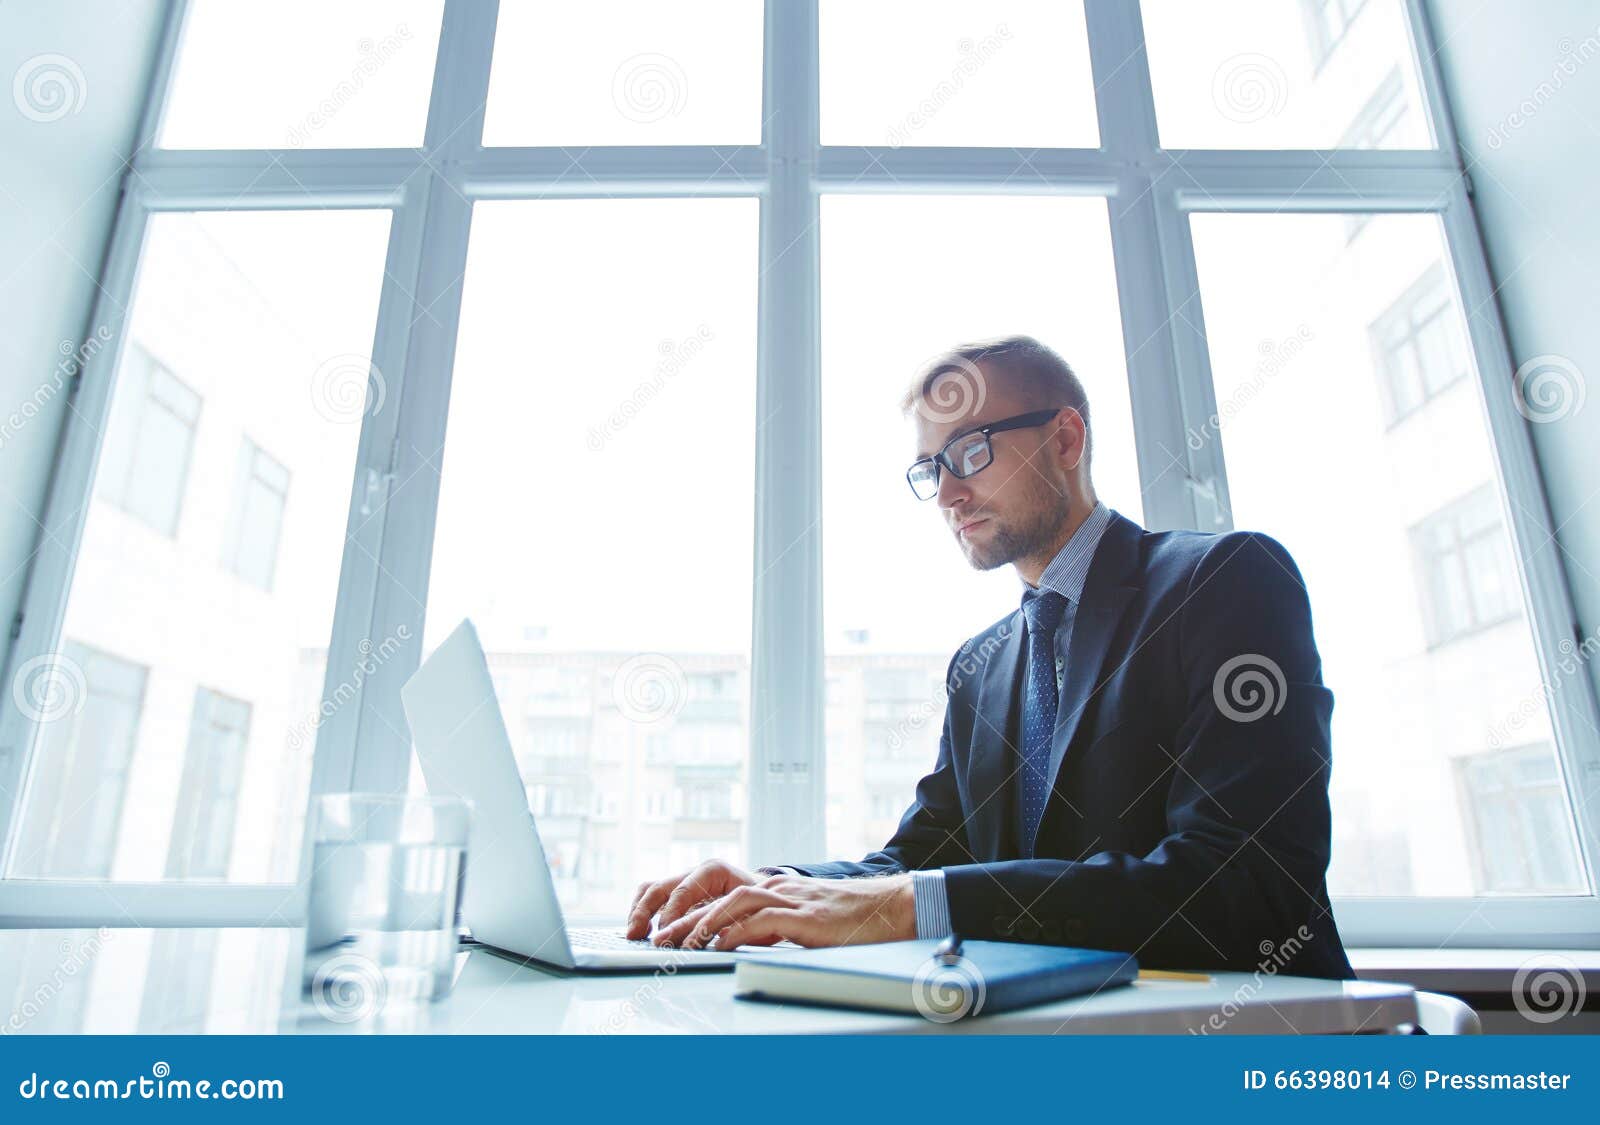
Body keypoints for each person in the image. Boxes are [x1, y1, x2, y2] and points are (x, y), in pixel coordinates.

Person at [625, 335, 1353, 978]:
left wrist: (911, 903)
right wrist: (770, 886)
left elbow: (1247, 886)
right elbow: (920, 860)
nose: (945, 492)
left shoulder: (1223, 581)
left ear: (1066, 440)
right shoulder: (982, 666)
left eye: (970, 450)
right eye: (929, 468)